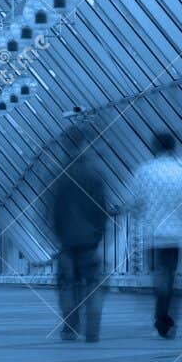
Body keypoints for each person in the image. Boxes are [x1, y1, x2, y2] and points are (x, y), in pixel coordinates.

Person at [130, 132, 182, 339]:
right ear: (173, 147)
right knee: (168, 275)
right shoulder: (181, 171)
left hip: (152, 233)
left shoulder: (143, 171)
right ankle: (163, 316)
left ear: (154, 147)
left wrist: (142, 221)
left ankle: (161, 315)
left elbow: (136, 203)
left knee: (158, 276)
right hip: (174, 234)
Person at [50, 125, 109, 342]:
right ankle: (92, 331)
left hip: (66, 241)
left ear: (65, 146)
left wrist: (58, 235)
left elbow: (52, 211)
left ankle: (70, 328)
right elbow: (101, 210)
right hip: (89, 241)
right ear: (85, 144)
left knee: (67, 284)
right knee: (93, 284)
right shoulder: (94, 175)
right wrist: (98, 234)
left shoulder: (58, 176)